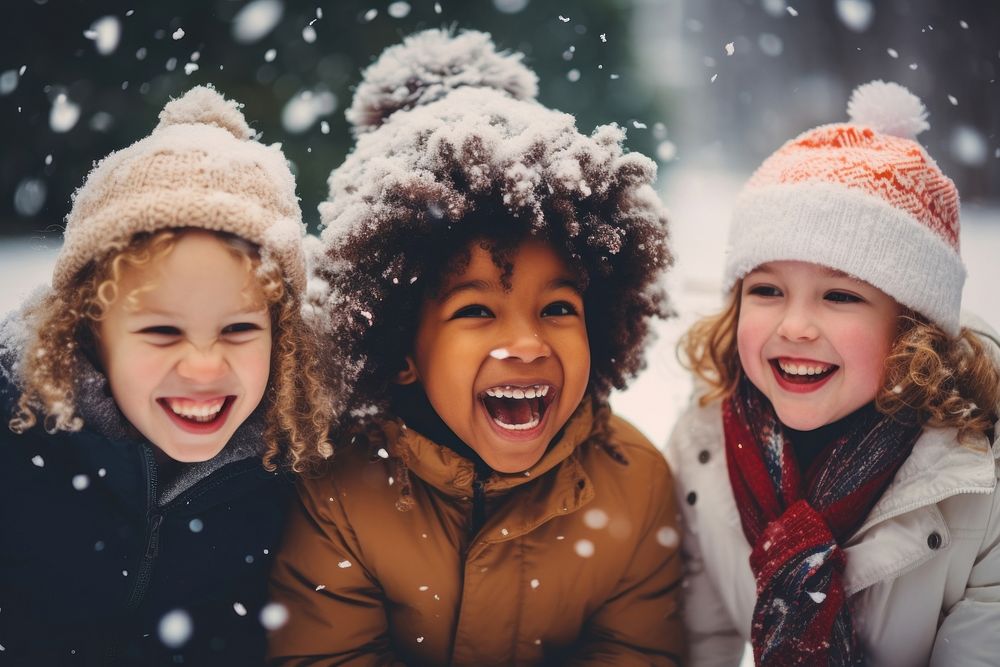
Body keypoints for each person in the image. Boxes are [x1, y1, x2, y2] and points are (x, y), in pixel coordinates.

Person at [268, 28, 685, 666]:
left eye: (557, 308)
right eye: (476, 309)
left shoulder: (632, 484)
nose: (524, 342)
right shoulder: (340, 487)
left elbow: (640, 652)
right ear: (399, 344)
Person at [665, 80, 1000, 666]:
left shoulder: (978, 474)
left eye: (840, 296)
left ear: (911, 329)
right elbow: (693, 643)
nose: (795, 326)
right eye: (766, 289)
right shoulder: (707, 445)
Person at [0, 86, 332, 666]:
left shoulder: (294, 465)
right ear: (87, 329)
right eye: (161, 332)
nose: (204, 366)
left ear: (283, 340)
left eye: (238, 330)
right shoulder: (19, 447)